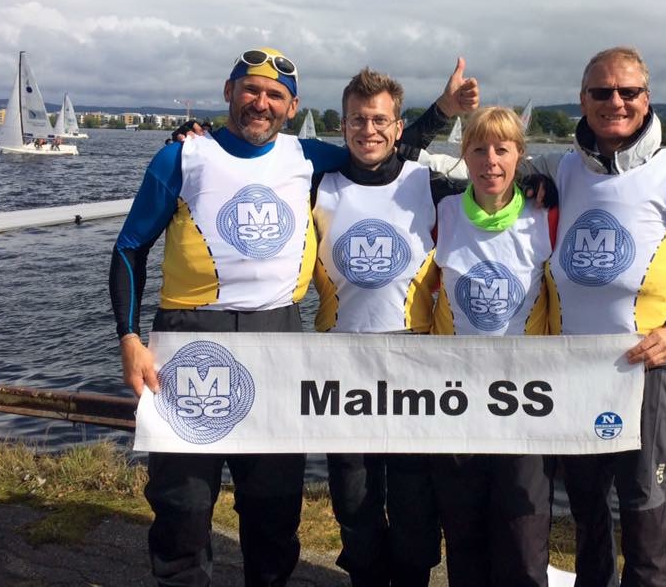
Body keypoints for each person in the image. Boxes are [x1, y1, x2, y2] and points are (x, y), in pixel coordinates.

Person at [109, 47, 478, 587]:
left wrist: (447, 113)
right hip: (189, 337)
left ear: (292, 105)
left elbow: (383, 152)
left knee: (274, 505)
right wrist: (128, 336)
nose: (262, 102)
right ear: (228, 92)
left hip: (276, 335)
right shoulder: (181, 156)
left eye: (275, 95)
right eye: (251, 89)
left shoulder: (306, 157)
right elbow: (128, 248)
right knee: (182, 504)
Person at [532, 47, 666, 587]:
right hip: (575, 376)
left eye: (628, 92)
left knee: (648, 528)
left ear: (647, 99)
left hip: (648, 374)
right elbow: (480, 165)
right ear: (583, 99)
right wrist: (443, 115)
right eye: (601, 92)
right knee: (587, 522)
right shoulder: (560, 167)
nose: (615, 102)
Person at [311, 67, 471, 587]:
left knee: (412, 500)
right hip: (343, 365)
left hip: (413, 365)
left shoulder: (428, 181)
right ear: (344, 125)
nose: (369, 130)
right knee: (354, 496)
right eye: (358, 120)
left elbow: (500, 187)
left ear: (398, 127)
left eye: (380, 120)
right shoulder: (319, 184)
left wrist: (542, 186)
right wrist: (193, 140)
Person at [429, 106, 555, 587]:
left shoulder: (546, 216)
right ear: (464, 155)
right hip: (456, 401)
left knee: (522, 545)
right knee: (464, 540)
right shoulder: (442, 213)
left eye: (502, 149)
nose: (490, 161)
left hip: (525, 404)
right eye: (478, 149)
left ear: (519, 156)